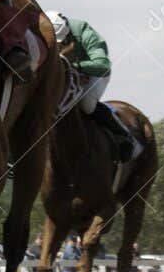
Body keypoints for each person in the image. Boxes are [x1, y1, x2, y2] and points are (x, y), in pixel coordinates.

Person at [47, 10, 137, 164]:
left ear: (67, 34)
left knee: (87, 104)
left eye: (61, 43)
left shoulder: (83, 31)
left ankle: (124, 136)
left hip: (93, 72)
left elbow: (102, 64)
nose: (59, 47)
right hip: (65, 72)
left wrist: (77, 67)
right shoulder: (43, 31)